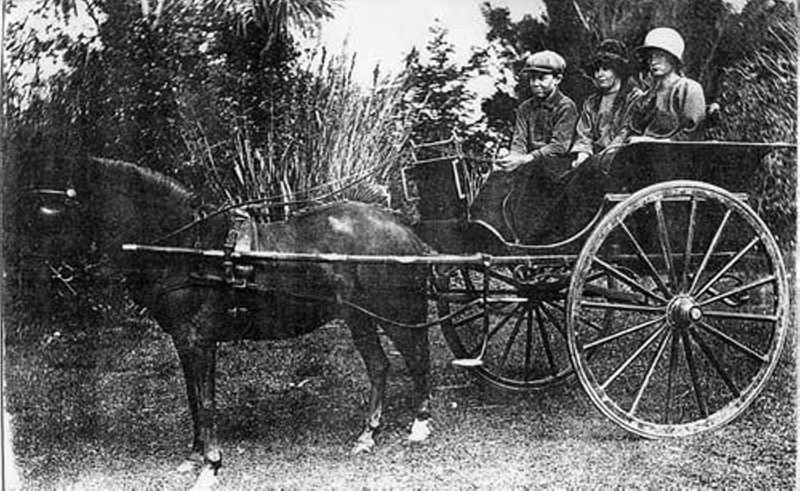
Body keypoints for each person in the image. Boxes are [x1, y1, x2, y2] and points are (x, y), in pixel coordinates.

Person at [470, 50, 578, 243]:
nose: (535, 83)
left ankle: (526, 238)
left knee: (531, 177)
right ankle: (488, 232)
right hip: (529, 163)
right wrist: (511, 159)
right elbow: (518, 142)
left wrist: (525, 159)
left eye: (542, 78)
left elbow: (559, 146)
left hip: (557, 167)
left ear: (557, 79)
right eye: (532, 78)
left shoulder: (566, 107)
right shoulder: (525, 108)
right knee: (497, 177)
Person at [628, 27, 706, 141]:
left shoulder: (688, 88)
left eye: (660, 55)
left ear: (673, 58)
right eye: (651, 57)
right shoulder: (649, 96)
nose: (653, 62)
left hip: (678, 154)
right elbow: (634, 127)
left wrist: (654, 143)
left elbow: (693, 132)